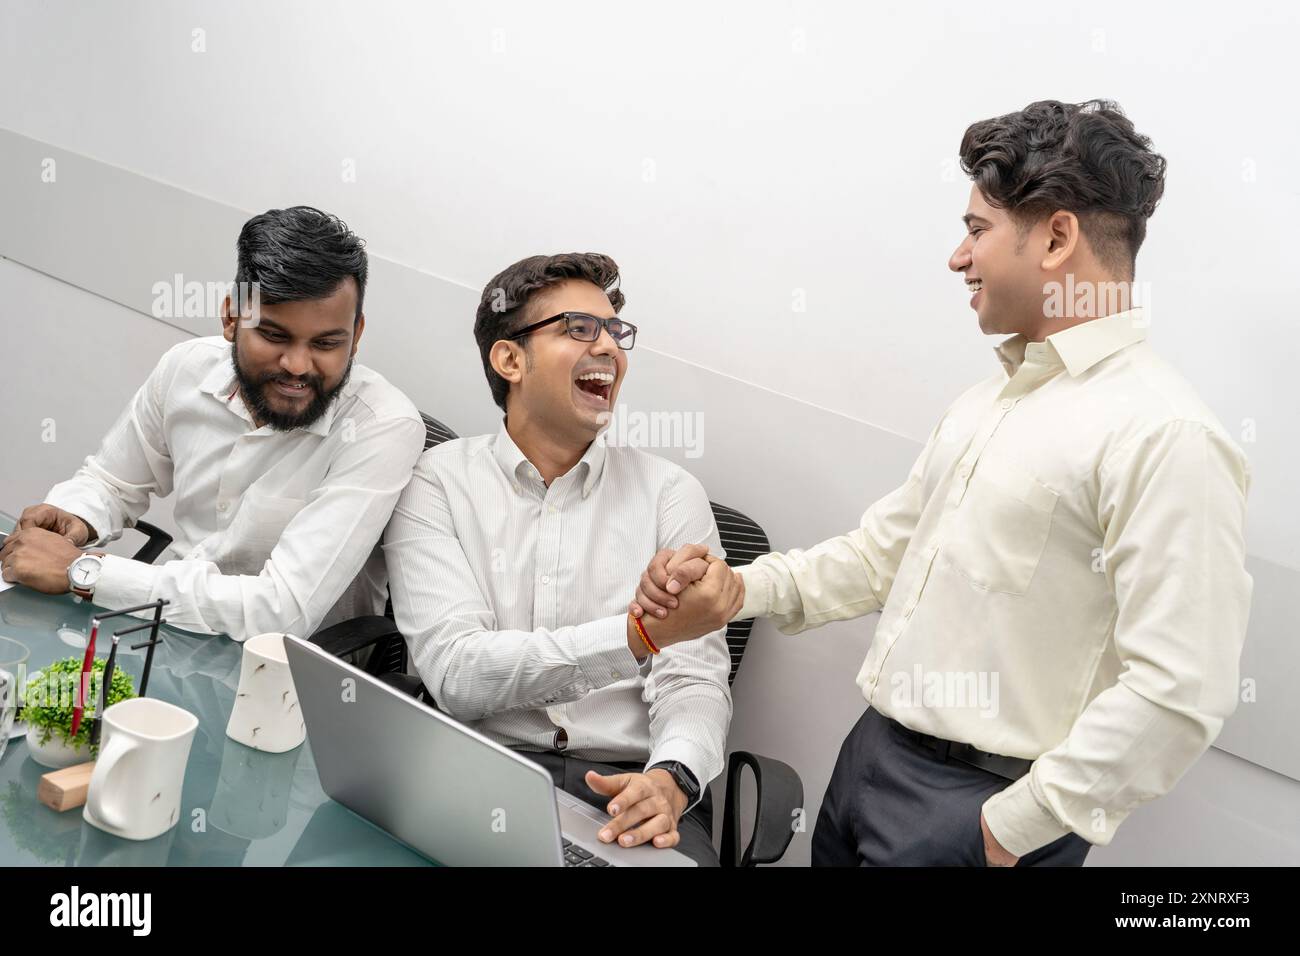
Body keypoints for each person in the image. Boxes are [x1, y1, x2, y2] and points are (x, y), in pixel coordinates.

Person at [632, 100, 1253, 866]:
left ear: (1057, 237)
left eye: (976, 229)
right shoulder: (990, 401)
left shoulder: (1168, 435)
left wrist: (1008, 830)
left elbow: (1179, 692)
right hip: (871, 758)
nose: (958, 258)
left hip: (982, 809)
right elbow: (880, 557)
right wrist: (740, 591)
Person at [383, 253, 738, 865]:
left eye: (615, 331)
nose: (609, 347)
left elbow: (694, 677)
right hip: (475, 770)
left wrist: (673, 778)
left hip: (628, 787)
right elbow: (458, 675)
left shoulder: (669, 493)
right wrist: (635, 637)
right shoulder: (436, 482)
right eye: (579, 328)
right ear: (510, 359)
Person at [0, 206, 425, 642]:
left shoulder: (384, 427)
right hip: (162, 626)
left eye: (326, 343)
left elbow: (282, 610)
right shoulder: (185, 368)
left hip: (283, 673)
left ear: (356, 336)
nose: (297, 365)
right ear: (231, 318)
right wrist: (77, 516)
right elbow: (112, 482)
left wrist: (84, 573)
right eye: (274, 336)